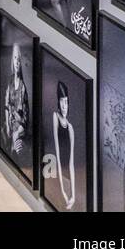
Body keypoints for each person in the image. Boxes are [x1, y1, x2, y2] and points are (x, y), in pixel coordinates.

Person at [50, 80, 76, 209]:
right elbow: (57, 154)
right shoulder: (55, 117)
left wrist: (73, 194)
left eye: (66, 102)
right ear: (58, 102)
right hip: (58, 178)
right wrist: (62, 190)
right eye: (62, 101)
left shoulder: (70, 128)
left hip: (67, 179)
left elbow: (71, 163)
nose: (64, 106)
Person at [3, 44, 30, 157]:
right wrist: (8, 125)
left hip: (20, 125)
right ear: (12, 61)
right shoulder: (10, 81)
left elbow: (25, 116)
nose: (17, 62)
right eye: (15, 59)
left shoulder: (23, 87)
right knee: (3, 137)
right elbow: (6, 105)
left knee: (18, 150)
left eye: (19, 59)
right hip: (10, 123)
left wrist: (18, 131)